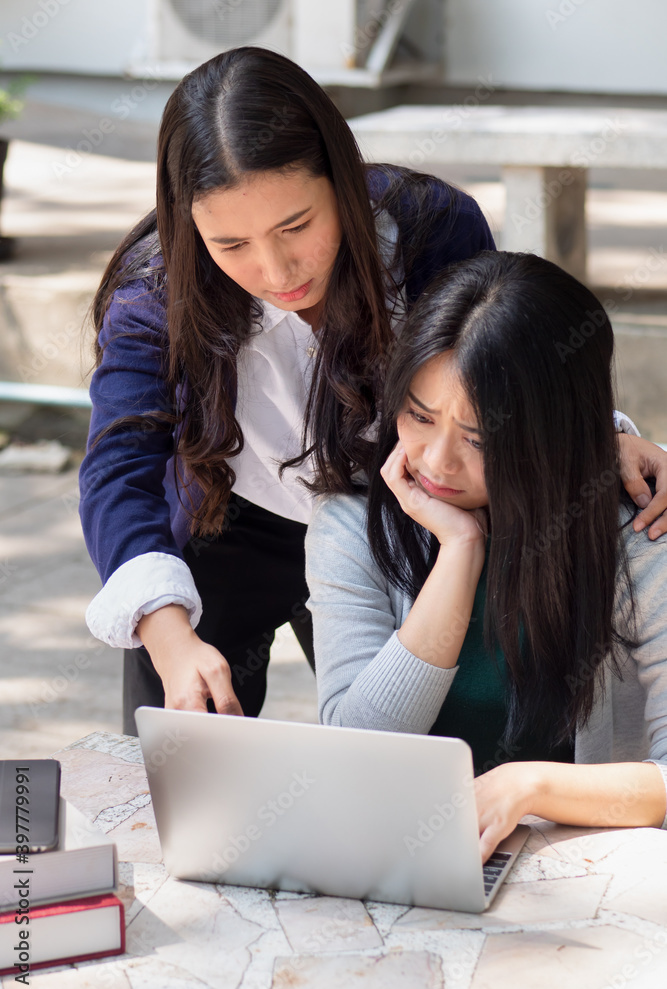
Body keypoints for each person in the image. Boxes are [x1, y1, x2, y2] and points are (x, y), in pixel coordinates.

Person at [80, 46, 667, 736]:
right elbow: (118, 467)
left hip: (383, 510)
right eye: (230, 244)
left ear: (341, 177)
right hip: (225, 527)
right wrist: (169, 634)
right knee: (183, 758)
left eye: (296, 227)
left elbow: (493, 353)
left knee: (389, 745)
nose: (276, 271)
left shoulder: (429, 229)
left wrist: (596, 435)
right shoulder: (155, 294)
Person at [306, 251, 667, 862]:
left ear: (553, 431)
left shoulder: (639, 531)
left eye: (479, 438)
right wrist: (460, 550)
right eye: (419, 416)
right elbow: (355, 755)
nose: (437, 461)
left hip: (580, 874)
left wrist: (531, 787)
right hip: (401, 861)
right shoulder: (351, 524)